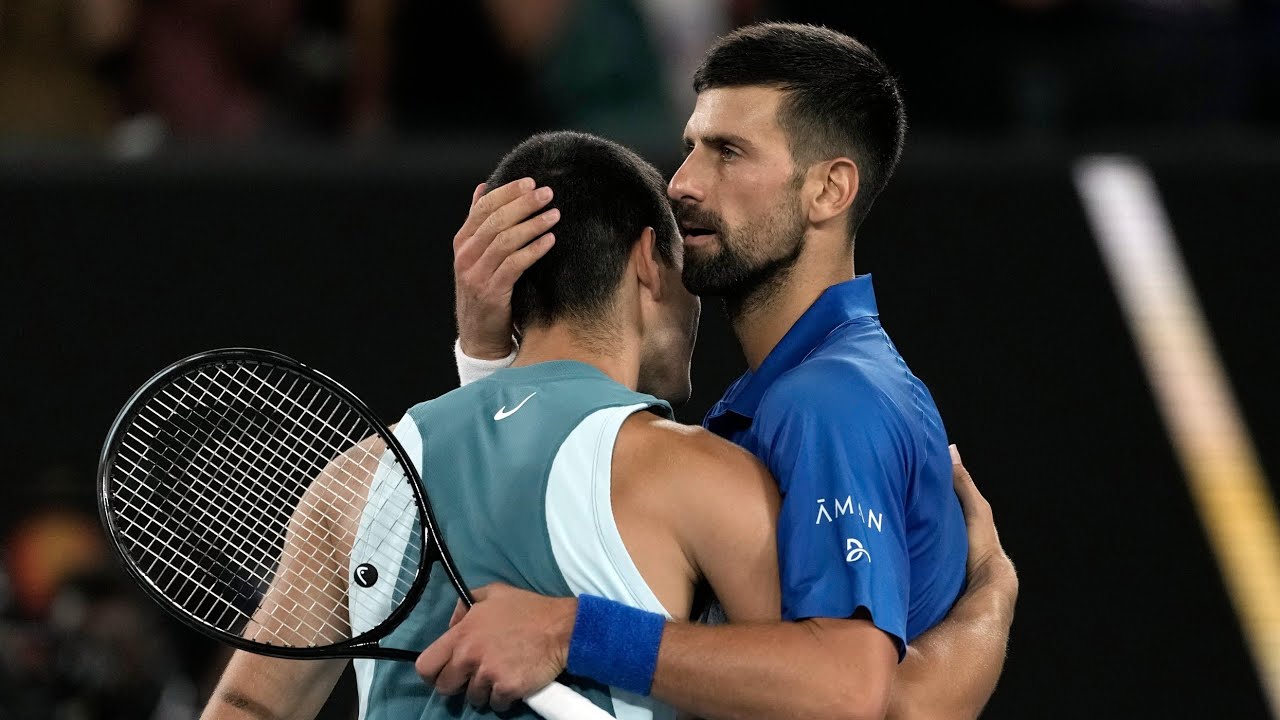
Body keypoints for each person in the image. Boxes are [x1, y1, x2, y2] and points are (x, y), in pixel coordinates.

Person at [419, 22, 1018, 720]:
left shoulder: (830, 401)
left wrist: (570, 630)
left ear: (829, 190)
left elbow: (866, 699)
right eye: (690, 148)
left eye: (729, 152)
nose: (683, 184)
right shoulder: (784, 395)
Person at [199, 129, 783, 720]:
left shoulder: (356, 479)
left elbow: (246, 708)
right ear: (647, 261)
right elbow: (820, 692)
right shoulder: (704, 475)